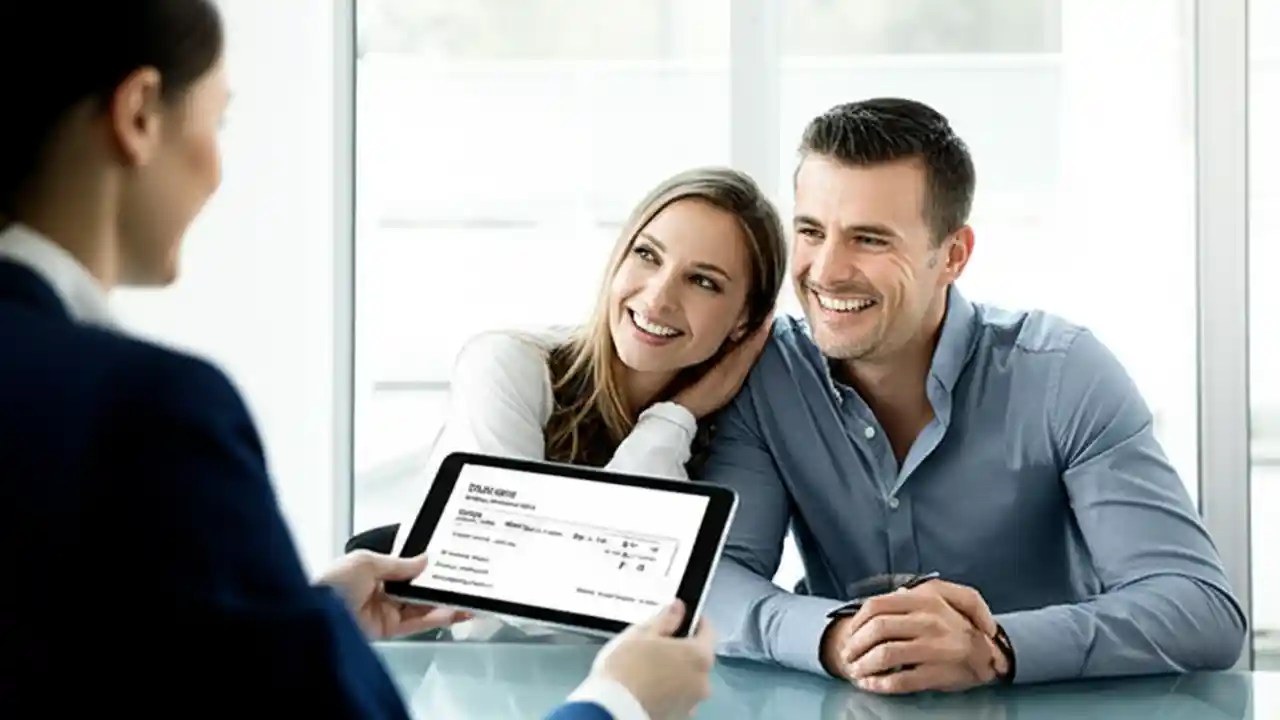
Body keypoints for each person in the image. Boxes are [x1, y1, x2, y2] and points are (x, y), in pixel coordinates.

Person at [0, 3, 716, 719]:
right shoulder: (146, 407)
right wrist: (619, 702)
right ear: (139, 115)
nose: (218, 173)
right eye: (217, 123)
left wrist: (308, 620)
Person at [699, 98, 1247, 693]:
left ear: (953, 255)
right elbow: (712, 579)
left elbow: (1201, 609)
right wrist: (835, 637)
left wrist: (994, 649)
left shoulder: (1063, 374)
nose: (827, 271)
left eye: (870, 239)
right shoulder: (768, 373)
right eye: (810, 231)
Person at [350, 167, 787, 639]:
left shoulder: (740, 432)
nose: (659, 298)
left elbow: (698, 617)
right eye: (647, 255)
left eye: (703, 281)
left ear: (746, 321)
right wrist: (670, 421)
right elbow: (505, 596)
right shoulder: (508, 366)